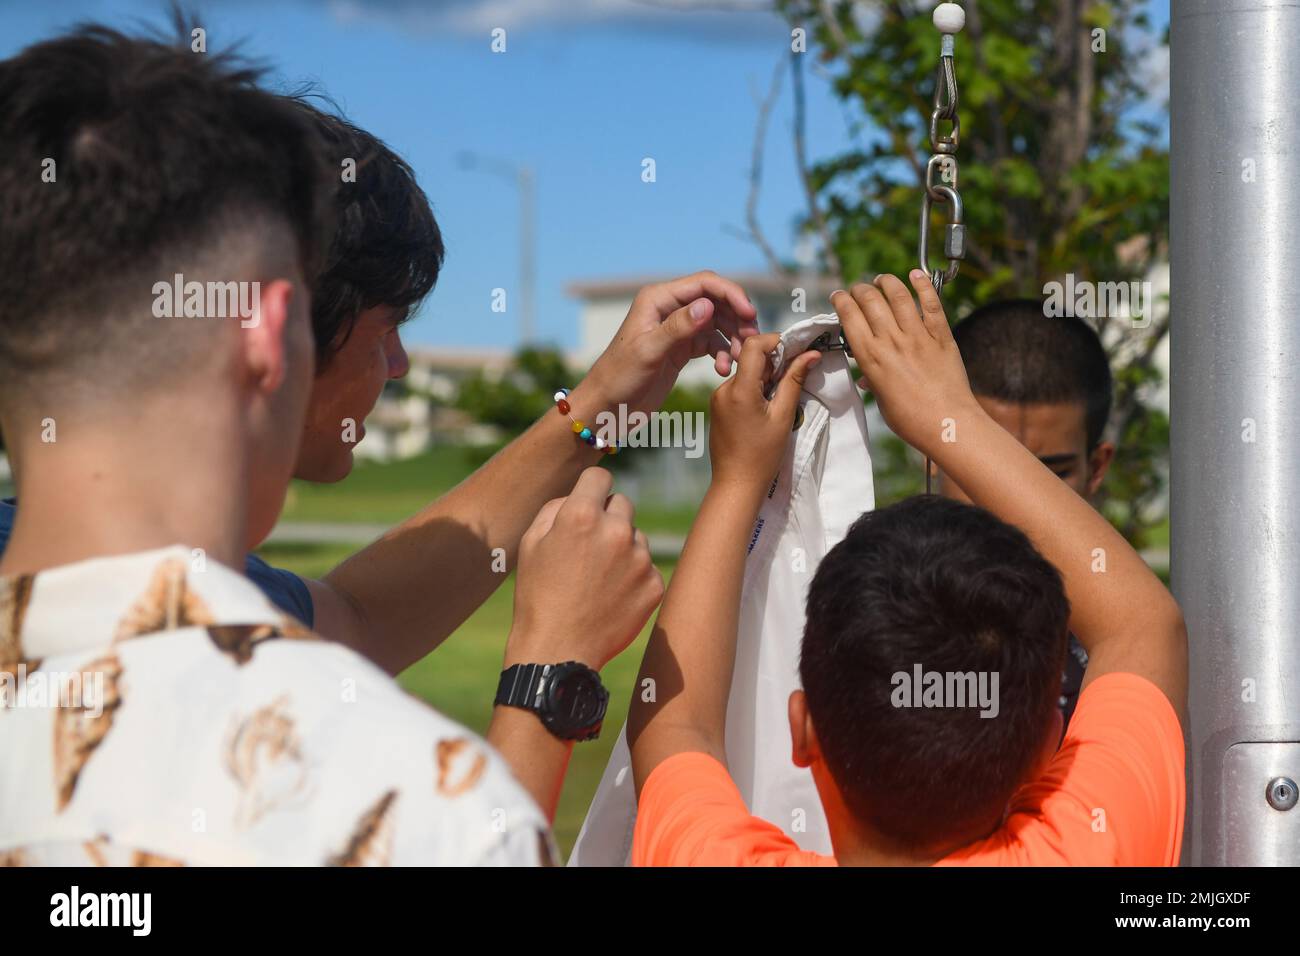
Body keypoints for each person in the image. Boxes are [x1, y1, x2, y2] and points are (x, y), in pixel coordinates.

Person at [0, 67, 760, 821]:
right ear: (270, 335)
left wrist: (598, 410)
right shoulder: (341, 779)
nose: (396, 366)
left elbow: (361, 617)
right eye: (388, 327)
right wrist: (549, 675)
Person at [626, 273, 1187, 866]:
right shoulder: (1089, 851)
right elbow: (1142, 626)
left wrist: (737, 483)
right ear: (1050, 745)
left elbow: (675, 722)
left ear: (805, 727)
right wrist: (949, 417)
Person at [941, 299, 1117, 726]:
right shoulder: (872, 619)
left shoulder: (1117, 654)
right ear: (932, 455)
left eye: (1048, 477)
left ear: (1096, 468)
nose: (1013, 514)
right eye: (984, 472)